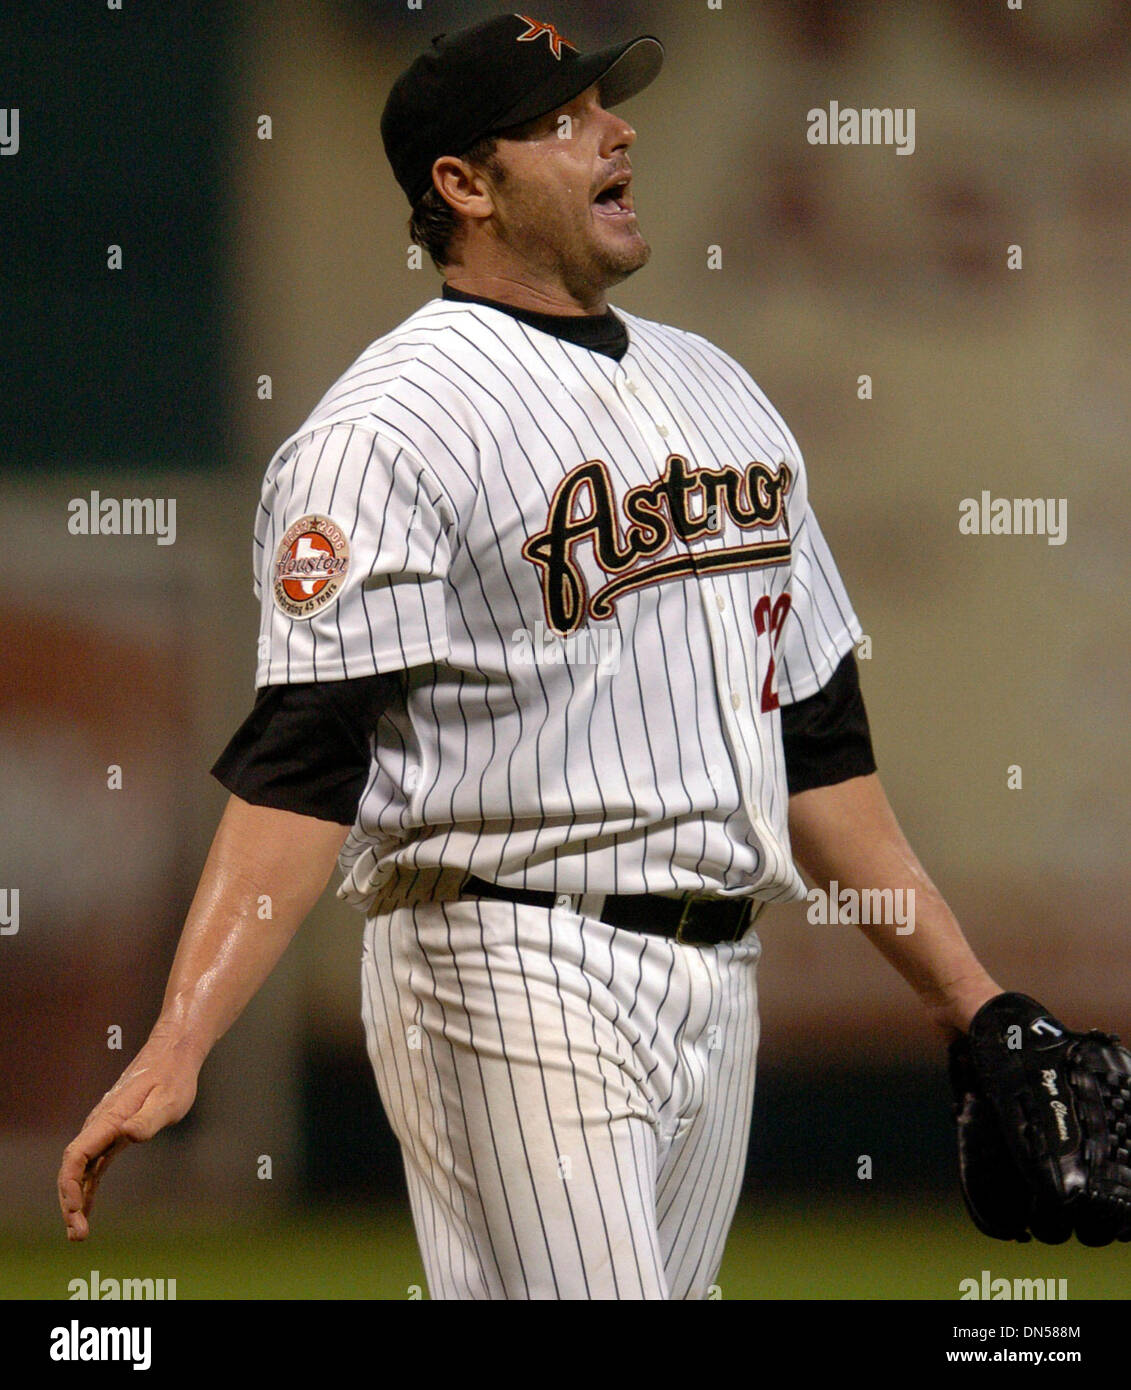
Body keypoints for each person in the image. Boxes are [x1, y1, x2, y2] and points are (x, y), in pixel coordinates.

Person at [58, 13, 1004, 1300]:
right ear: (464, 183)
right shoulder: (385, 429)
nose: (616, 131)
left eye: (607, 107)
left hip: (718, 980)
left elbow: (819, 739)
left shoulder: (719, 386)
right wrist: (181, 1038)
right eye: (564, 119)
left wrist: (974, 1002)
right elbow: (305, 761)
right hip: (505, 957)